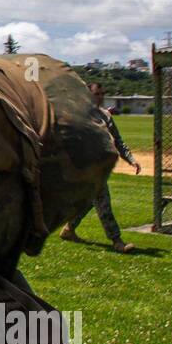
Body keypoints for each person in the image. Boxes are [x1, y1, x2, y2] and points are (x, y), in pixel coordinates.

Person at [61, 82, 139, 253]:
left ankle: (68, 229)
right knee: (103, 202)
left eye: (102, 93)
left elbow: (117, 141)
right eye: (97, 94)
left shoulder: (106, 117)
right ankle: (117, 241)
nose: (101, 96)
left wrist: (130, 159)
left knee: (87, 202)